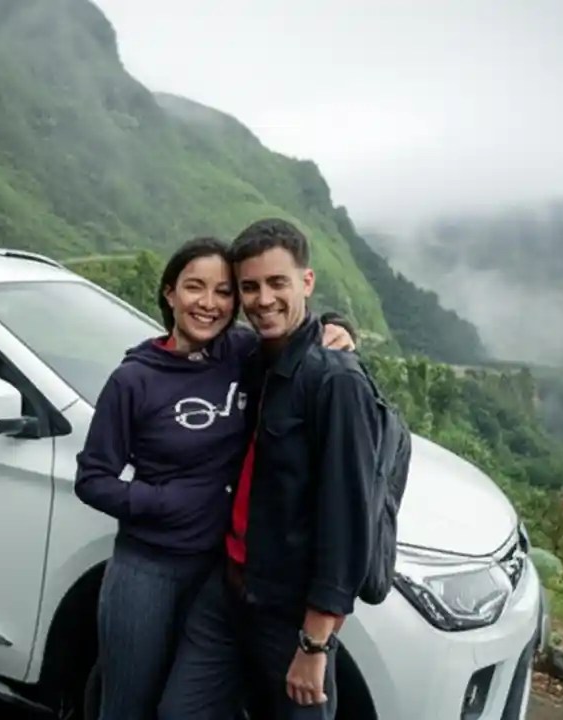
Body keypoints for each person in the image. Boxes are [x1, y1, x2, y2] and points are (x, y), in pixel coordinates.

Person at [74, 236, 356, 720]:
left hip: (219, 577)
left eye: (224, 292)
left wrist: (338, 327)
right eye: (194, 288)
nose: (209, 304)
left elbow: (295, 337)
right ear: (169, 293)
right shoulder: (135, 379)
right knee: (128, 706)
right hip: (149, 572)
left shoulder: (242, 354)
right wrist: (163, 501)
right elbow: (92, 478)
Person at [157, 219, 383, 720]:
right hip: (229, 591)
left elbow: (348, 521)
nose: (262, 300)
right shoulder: (254, 359)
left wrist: (315, 644)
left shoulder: (335, 381)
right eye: (250, 287)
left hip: (289, 615)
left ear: (306, 281)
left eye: (277, 283)